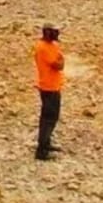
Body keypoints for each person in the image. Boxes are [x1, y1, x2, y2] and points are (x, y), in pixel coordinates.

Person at [33, 24, 66, 160]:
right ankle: (42, 151)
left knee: (51, 118)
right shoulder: (43, 48)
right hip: (48, 87)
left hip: (54, 86)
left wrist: (61, 60)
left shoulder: (52, 45)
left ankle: (46, 143)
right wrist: (61, 60)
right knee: (48, 119)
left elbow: (60, 61)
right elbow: (59, 64)